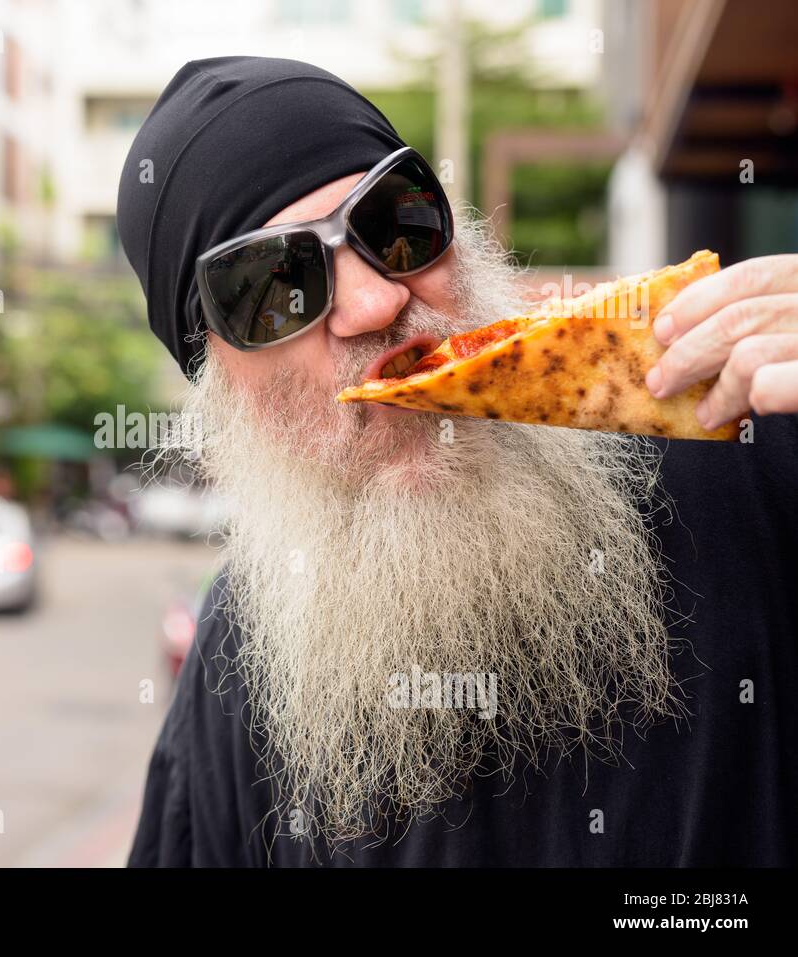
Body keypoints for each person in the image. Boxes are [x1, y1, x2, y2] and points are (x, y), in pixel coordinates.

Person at [115, 56, 798, 866]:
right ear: (218, 381)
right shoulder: (241, 662)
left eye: (394, 223)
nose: (377, 302)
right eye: (277, 287)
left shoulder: (741, 445)